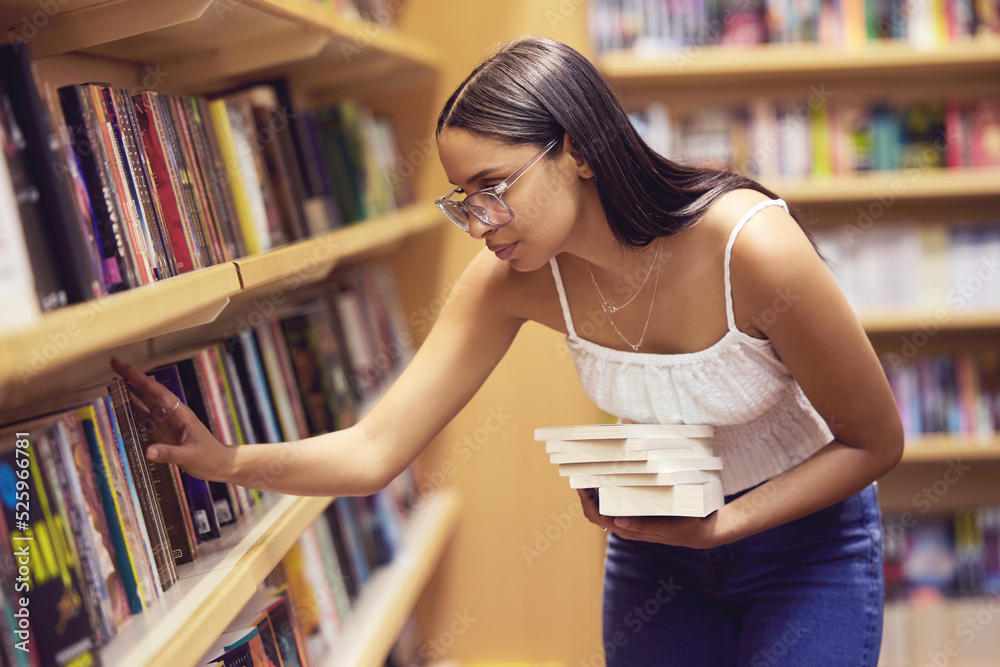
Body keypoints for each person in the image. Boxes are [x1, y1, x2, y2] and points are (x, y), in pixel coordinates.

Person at [112, 36, 903, 667]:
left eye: (494, 186)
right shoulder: (513, 279)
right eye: (465, 201)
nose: (483, 223)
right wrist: (230, 463)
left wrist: (727, 525)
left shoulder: (752, 248)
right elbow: (372, 451)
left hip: (807, 547)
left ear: (579, 150)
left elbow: (876, 441)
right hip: (659, 553)